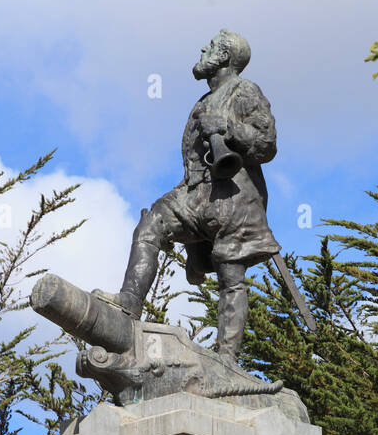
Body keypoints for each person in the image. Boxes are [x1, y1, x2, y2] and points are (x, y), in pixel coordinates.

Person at [109, 30, 280, 363]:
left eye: (213, 45)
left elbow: (267, 144)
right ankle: (128, 304)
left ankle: (227, 357)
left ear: (227, 56)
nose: (205, 48)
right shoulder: (202, 101)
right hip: (197, 193)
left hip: (234, 199)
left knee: (231, 277)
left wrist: (229, 128)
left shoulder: (245, 91)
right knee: (150, 226)